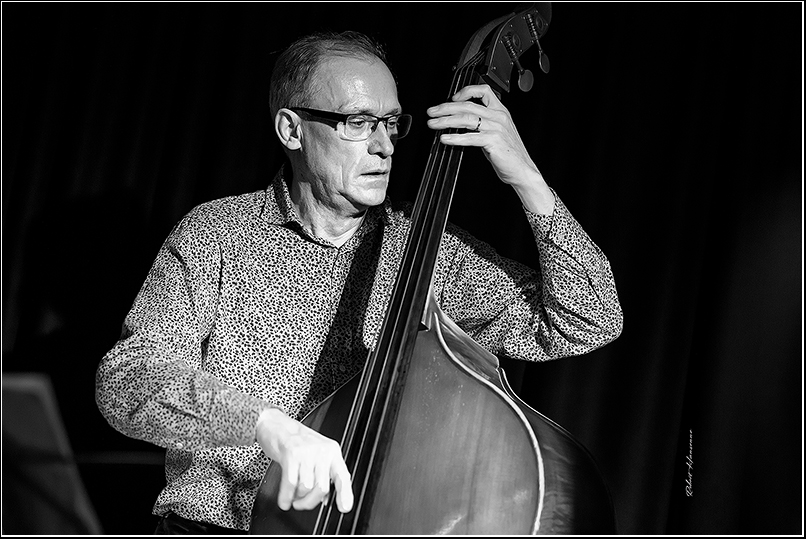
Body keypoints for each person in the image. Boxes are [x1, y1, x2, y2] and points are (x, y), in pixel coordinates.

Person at [95, 30, 623, 534]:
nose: (384, 147)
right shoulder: (219, 233)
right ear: (292, 129)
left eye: (391, 123)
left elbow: (590, 319)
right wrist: (270, 428)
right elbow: (128, 380)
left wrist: (527, 177)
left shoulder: (426, 251)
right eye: (357, 122)